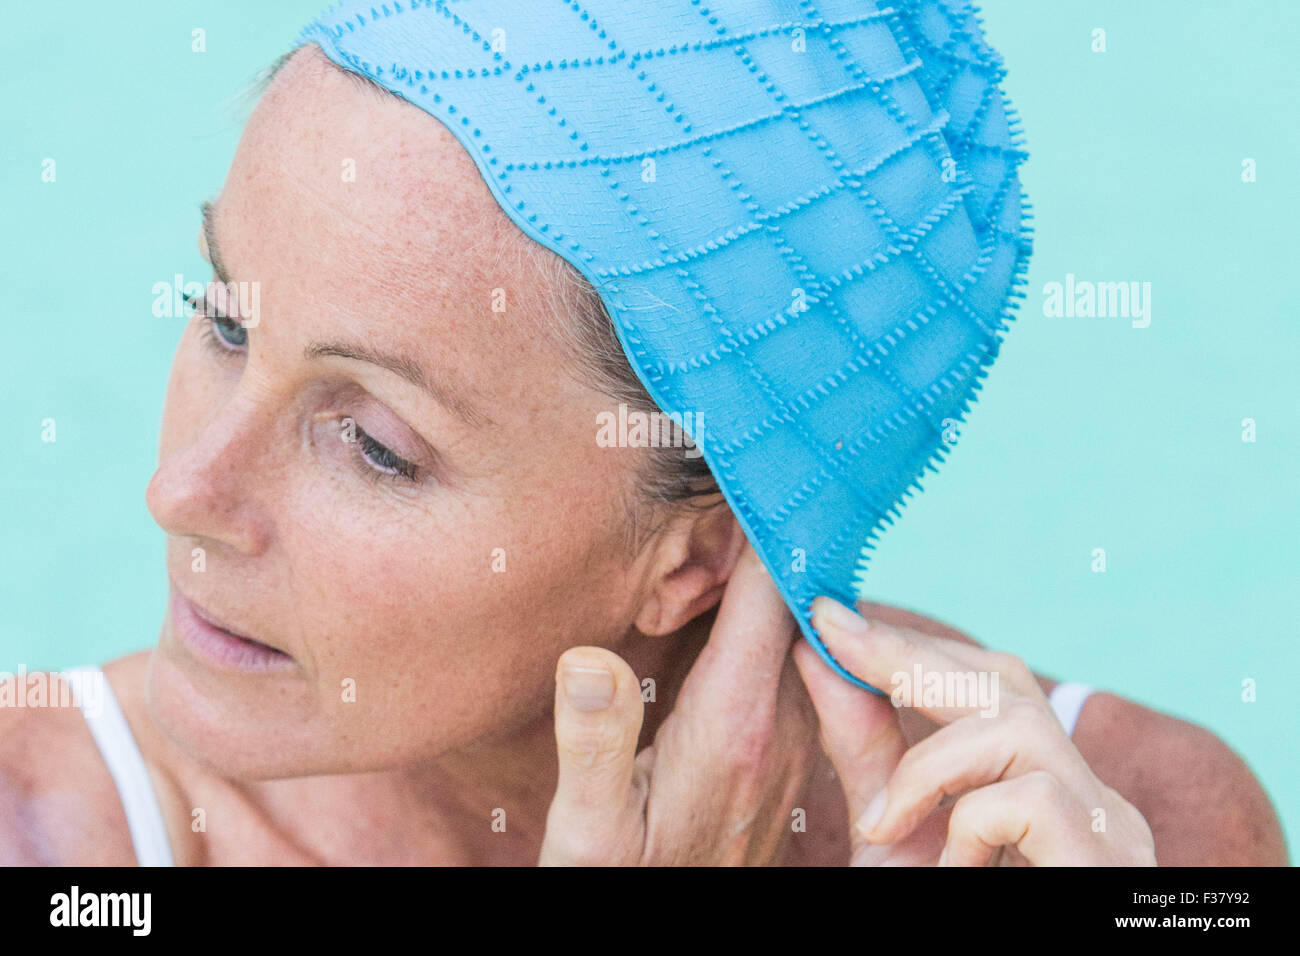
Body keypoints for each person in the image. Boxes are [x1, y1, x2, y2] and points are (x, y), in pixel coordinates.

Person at [0, 44, 1285, 866]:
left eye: (377, 447)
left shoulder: (1137, 840)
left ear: (697, 554)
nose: (182, 492)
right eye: (227, 319)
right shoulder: (48, 827)